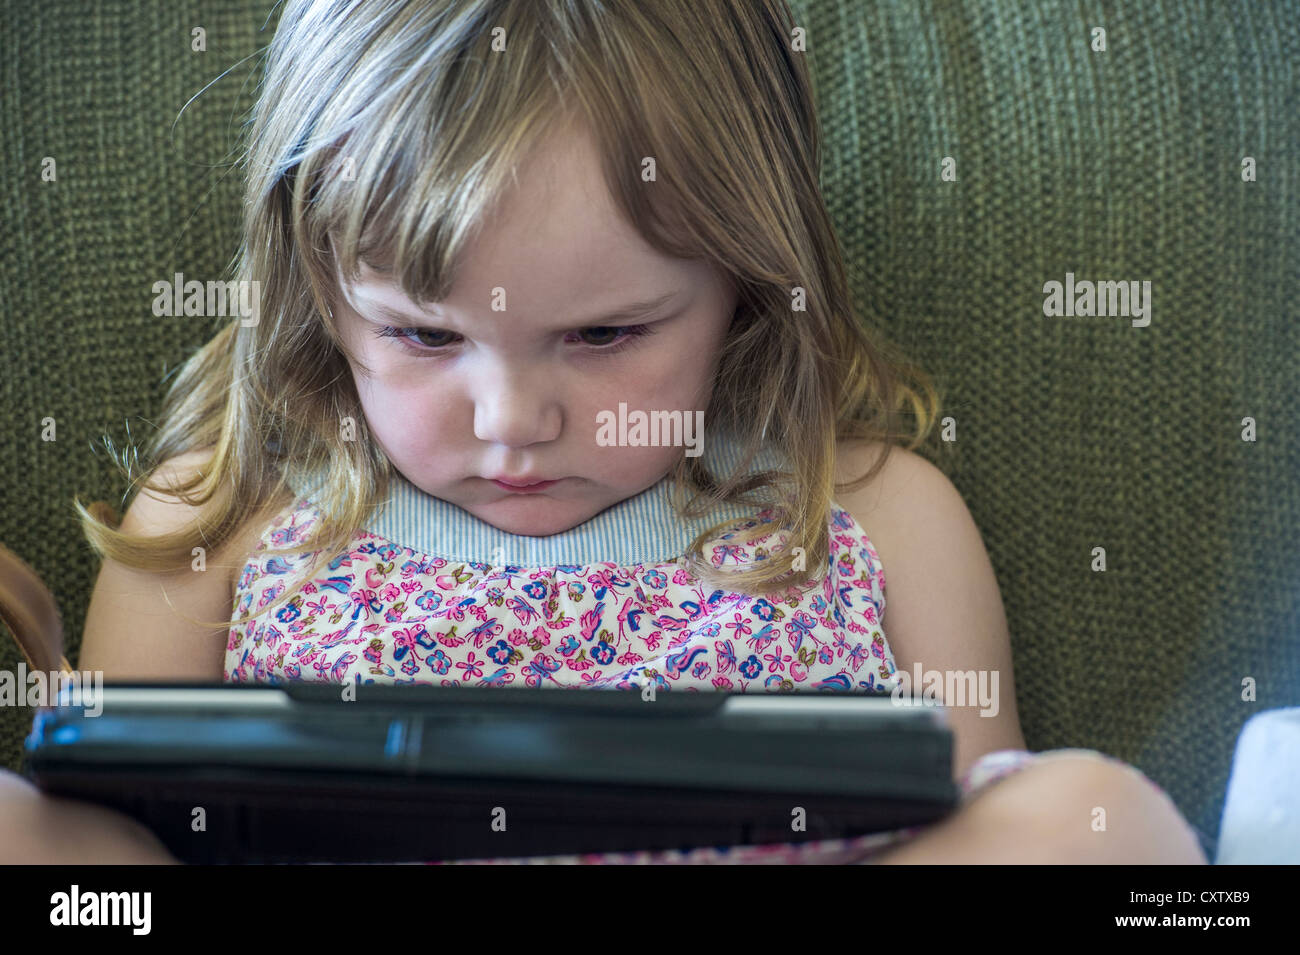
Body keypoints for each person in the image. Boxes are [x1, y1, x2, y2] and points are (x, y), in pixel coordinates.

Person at [2, 0, 1208, 865]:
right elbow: (118, 852)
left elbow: (975, 814)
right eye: (424, 338)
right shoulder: (221, 514)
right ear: (316, 289)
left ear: (748, 279)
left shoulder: (878, 517)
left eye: (603, 336)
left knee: (1088, 817)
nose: (511, 422)